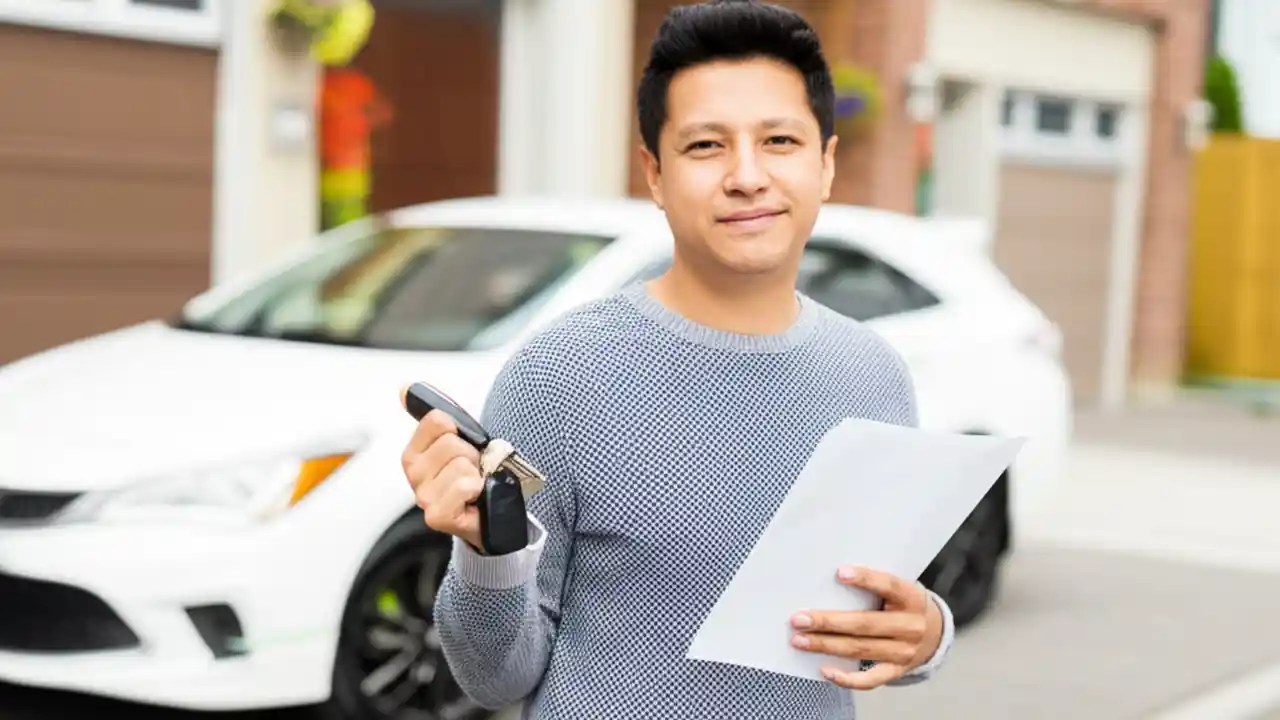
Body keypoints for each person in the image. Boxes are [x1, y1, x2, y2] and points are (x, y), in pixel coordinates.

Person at [399, 1, 954, 717]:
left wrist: (928, 633)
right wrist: (485, 557)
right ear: (655, 174)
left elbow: (869, 617)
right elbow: (496, 680)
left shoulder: (874, 375)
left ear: (826, 164)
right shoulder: (559, 378)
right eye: (705, 146)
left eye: (779, 140)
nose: (747, 175)